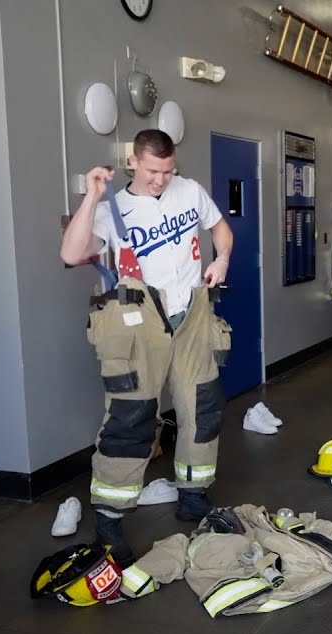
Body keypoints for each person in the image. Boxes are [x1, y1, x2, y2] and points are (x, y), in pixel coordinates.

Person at [60, 129, 234, 566]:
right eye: (153, 171)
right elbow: (71, 253)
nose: (161, 179)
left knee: (203, 407)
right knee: (132, 417)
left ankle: (193, 494)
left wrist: (221, 259)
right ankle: (111, 517)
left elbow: (221, 230)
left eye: (168, 170)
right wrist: (91, 196)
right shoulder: (112, 209)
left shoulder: (190, 192)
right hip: (139, 322)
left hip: (192, 313)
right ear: (133, 162)